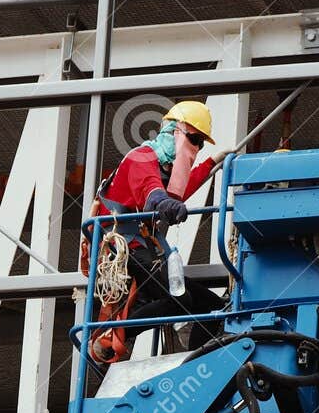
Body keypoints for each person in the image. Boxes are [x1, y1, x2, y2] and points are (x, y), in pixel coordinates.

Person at [88, 101, 226, 358]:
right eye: (194, 140)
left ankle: (201, 355)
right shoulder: (141, 157)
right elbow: (153, 193)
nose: (196, 148)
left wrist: (212, 164)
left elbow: (177, 190)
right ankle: (113, 336)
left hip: (141, 246)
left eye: (201, 144)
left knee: (212, 305)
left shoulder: (164, 167)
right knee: (179, 299)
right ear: (175, 132)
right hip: (123, 244)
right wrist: (166, 205)